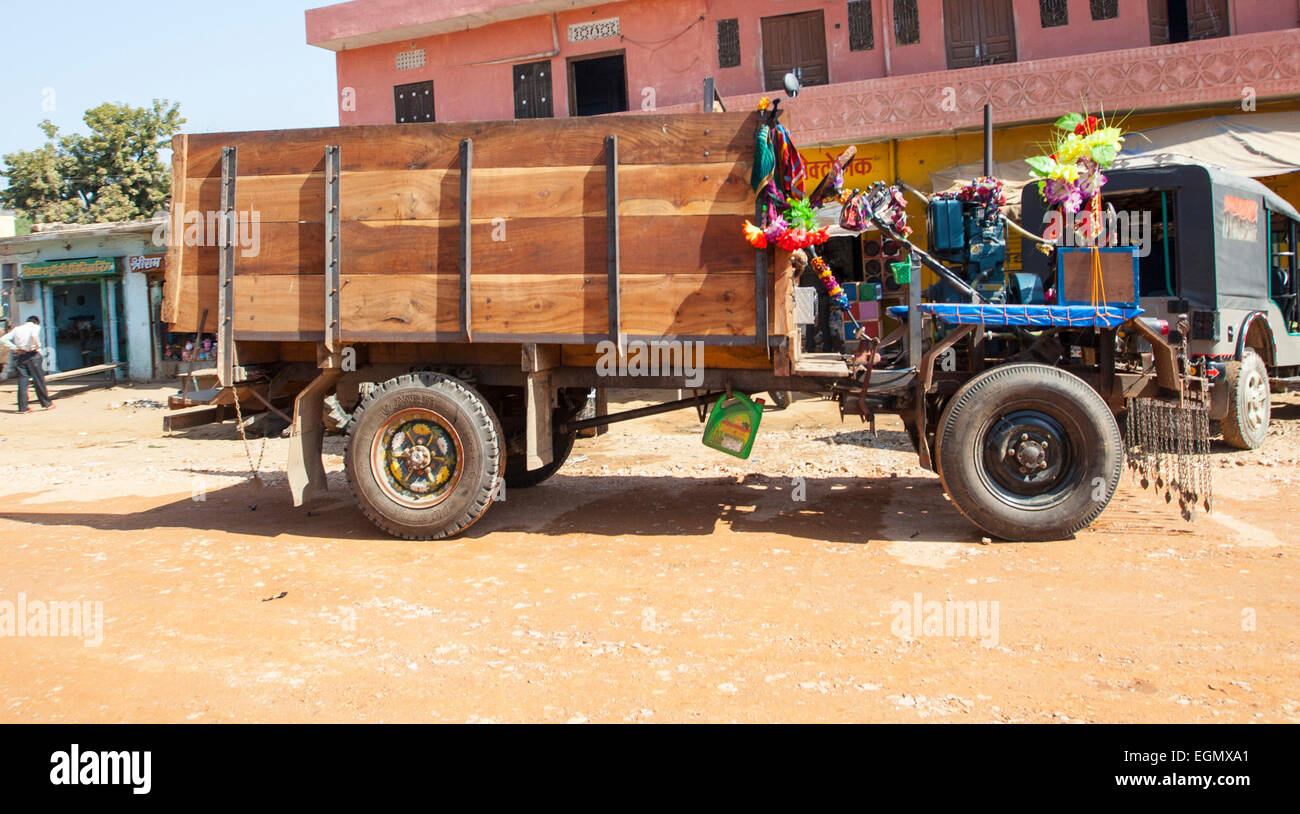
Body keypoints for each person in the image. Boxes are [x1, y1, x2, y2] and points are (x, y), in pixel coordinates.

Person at [0, 316, 54, 413]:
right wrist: (37, 347)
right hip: (33, 355)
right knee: (38, 380)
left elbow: (3, 339)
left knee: (22, 382)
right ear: (37, 322)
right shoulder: (35, 327)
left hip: (21, 355)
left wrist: (15, 348)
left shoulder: (17, 329)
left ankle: (23, 408)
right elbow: (34, 336)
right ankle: (47, 404)